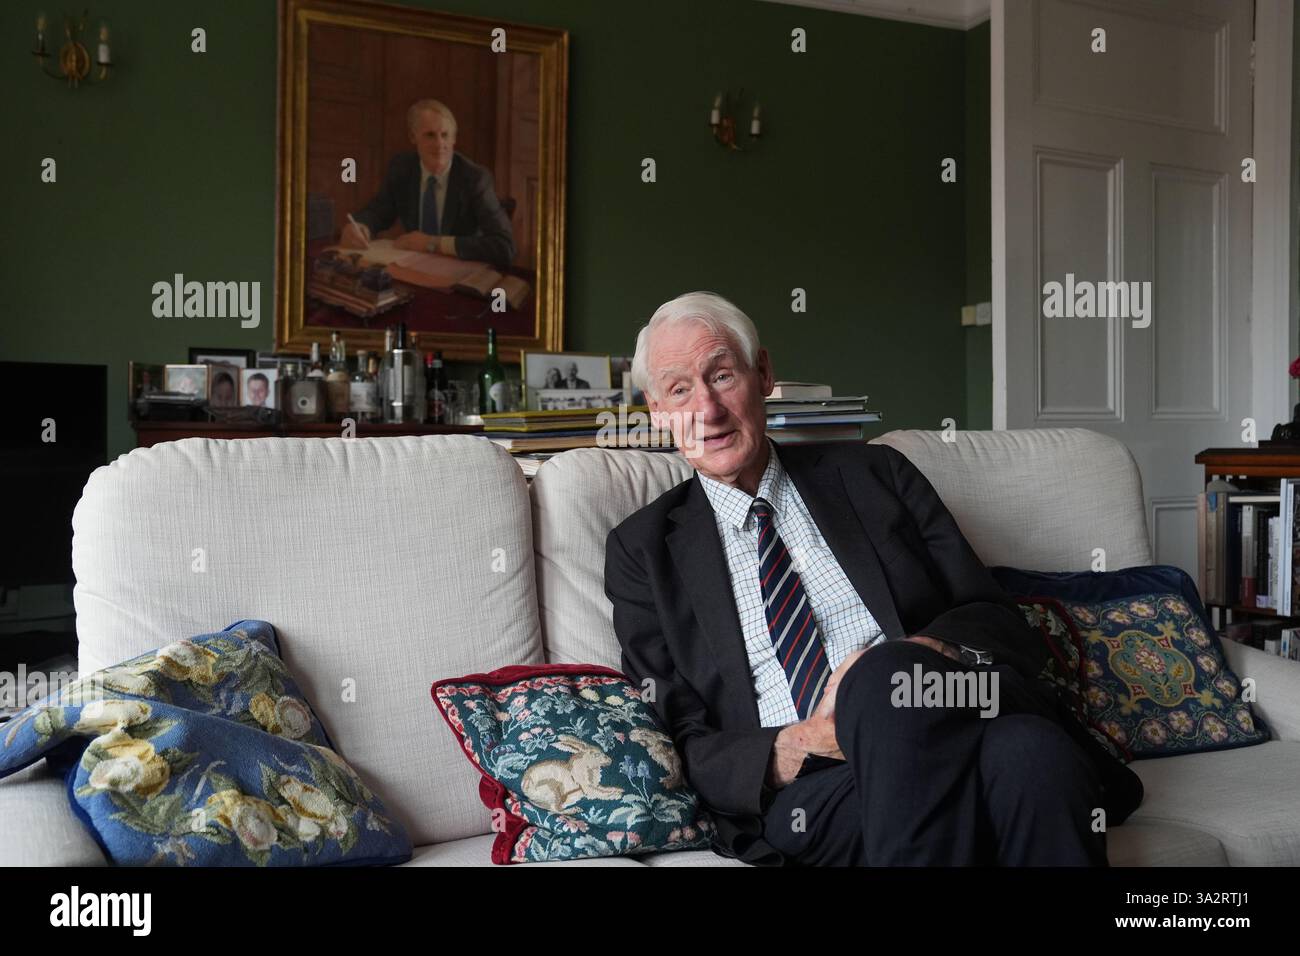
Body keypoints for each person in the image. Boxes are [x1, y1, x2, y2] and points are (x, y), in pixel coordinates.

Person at [603, 291, 1143, 866]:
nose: (707, 410)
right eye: (680, 390)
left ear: (763, 373)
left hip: (950, 707)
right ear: (657, 410)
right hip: (814, 786)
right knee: (1034, 758)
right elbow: (673, 730)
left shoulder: (875, 476)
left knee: (925, 696)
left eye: (722, 375)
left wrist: (921, 656)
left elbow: (995, 621)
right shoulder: (643, 550)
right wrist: (797, 745)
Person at [340, 99, 515, 271]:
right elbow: (378, 212)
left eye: (445, 135)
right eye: (430, 135)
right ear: (413, 137)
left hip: (459, 274)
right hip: (414, 269)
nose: (440, 144)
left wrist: (433, 243)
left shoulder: (475, 178)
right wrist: (361, 226)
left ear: (454, 139)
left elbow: (504, 246)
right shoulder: (402, 168)